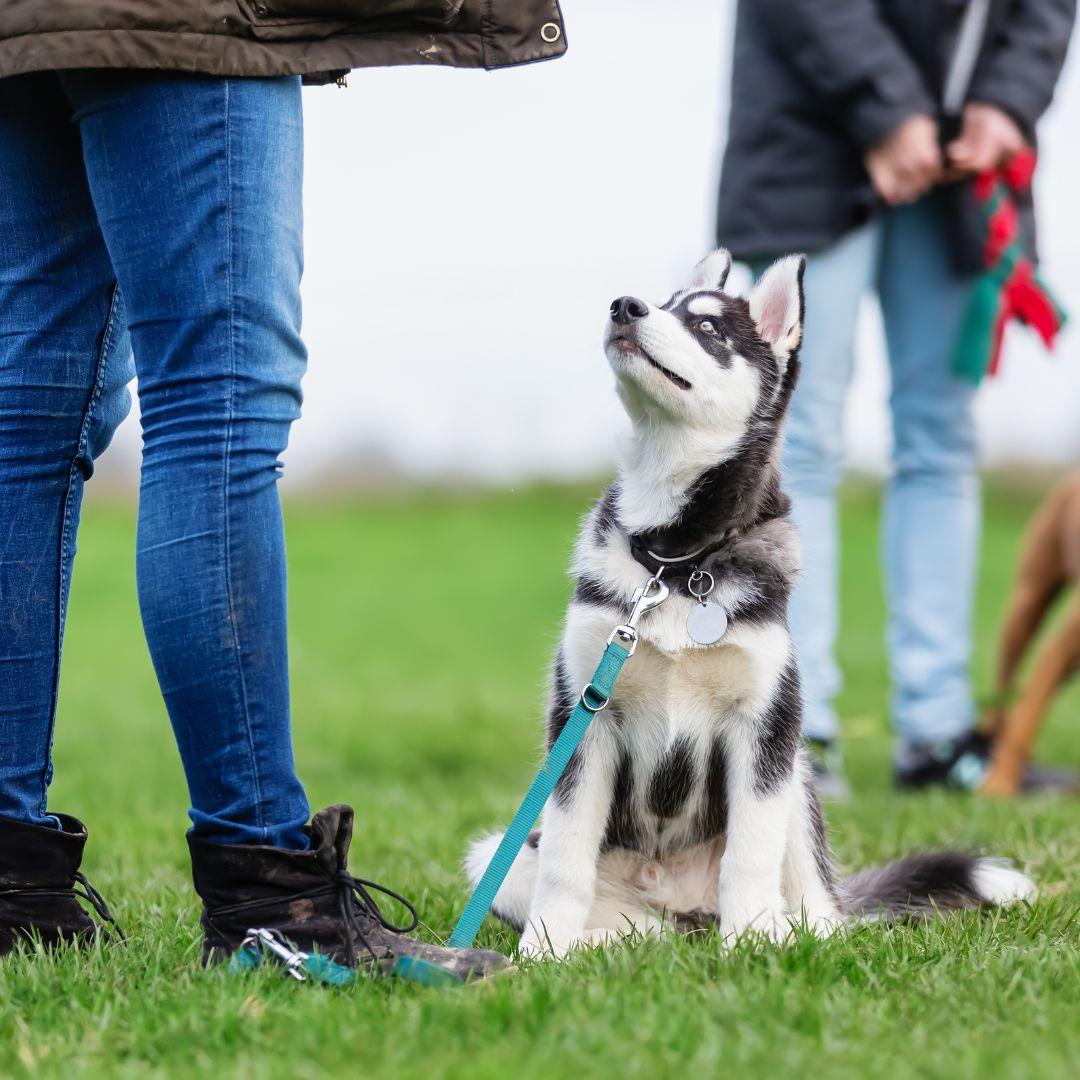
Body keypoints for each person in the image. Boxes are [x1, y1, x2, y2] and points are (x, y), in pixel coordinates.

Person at [0, 2, 565, 969]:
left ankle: (14, 892)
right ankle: (273, 896)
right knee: (217, 402)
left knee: (31, 404)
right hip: (183, 15)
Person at [716, 0, 1075, 797]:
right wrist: (890, 108)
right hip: (809, 142)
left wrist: (1006, 101)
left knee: (942, 440)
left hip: (961, 164)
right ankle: (795, 733)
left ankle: (939, 734)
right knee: (795, 438)